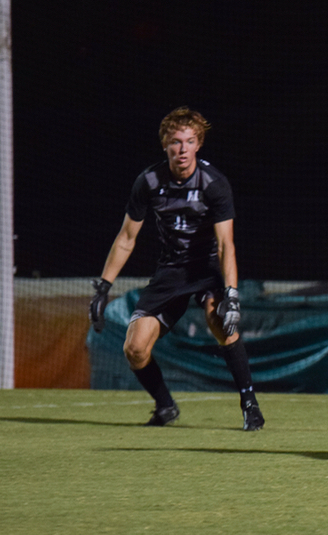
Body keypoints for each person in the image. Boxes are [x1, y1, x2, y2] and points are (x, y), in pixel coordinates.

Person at [89, 106, 264, 431]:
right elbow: (127, 238)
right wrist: (103, 287)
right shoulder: (149, 181)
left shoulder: (214, 183)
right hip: (171, 270)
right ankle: (165, 406)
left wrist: (231, 294)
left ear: (198, 145)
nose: (182, 149)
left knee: (219, 319)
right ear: (165, 145)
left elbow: (226, 245)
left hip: (208, 267)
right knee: (135, 349)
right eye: (175, 142)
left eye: (189, 141)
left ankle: (249, 404)